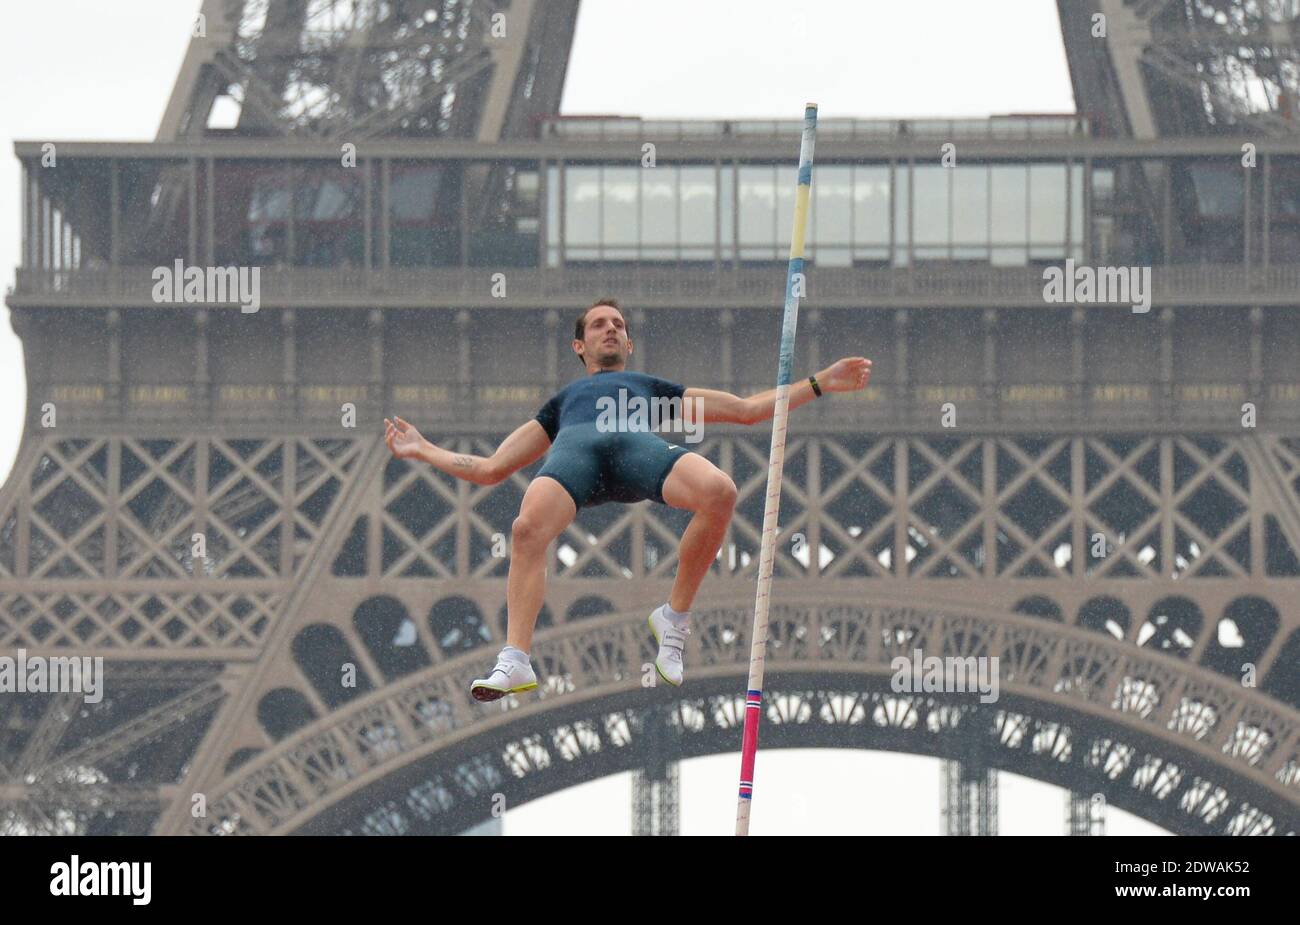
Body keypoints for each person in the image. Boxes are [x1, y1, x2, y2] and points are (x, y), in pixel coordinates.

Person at [384, 297, 871, 701]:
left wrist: (819, 383)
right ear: (580, 345)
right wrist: (425, 450)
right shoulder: (562, 403)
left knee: (720, 491)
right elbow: (491, 469)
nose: (610, 329)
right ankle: (514, 660)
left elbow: (744, 412)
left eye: (618, 324)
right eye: (598, 324)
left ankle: (673, 620)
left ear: (630, 342)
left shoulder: (649, 389)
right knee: (525, 529)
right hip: (577, 458)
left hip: (638, 450)